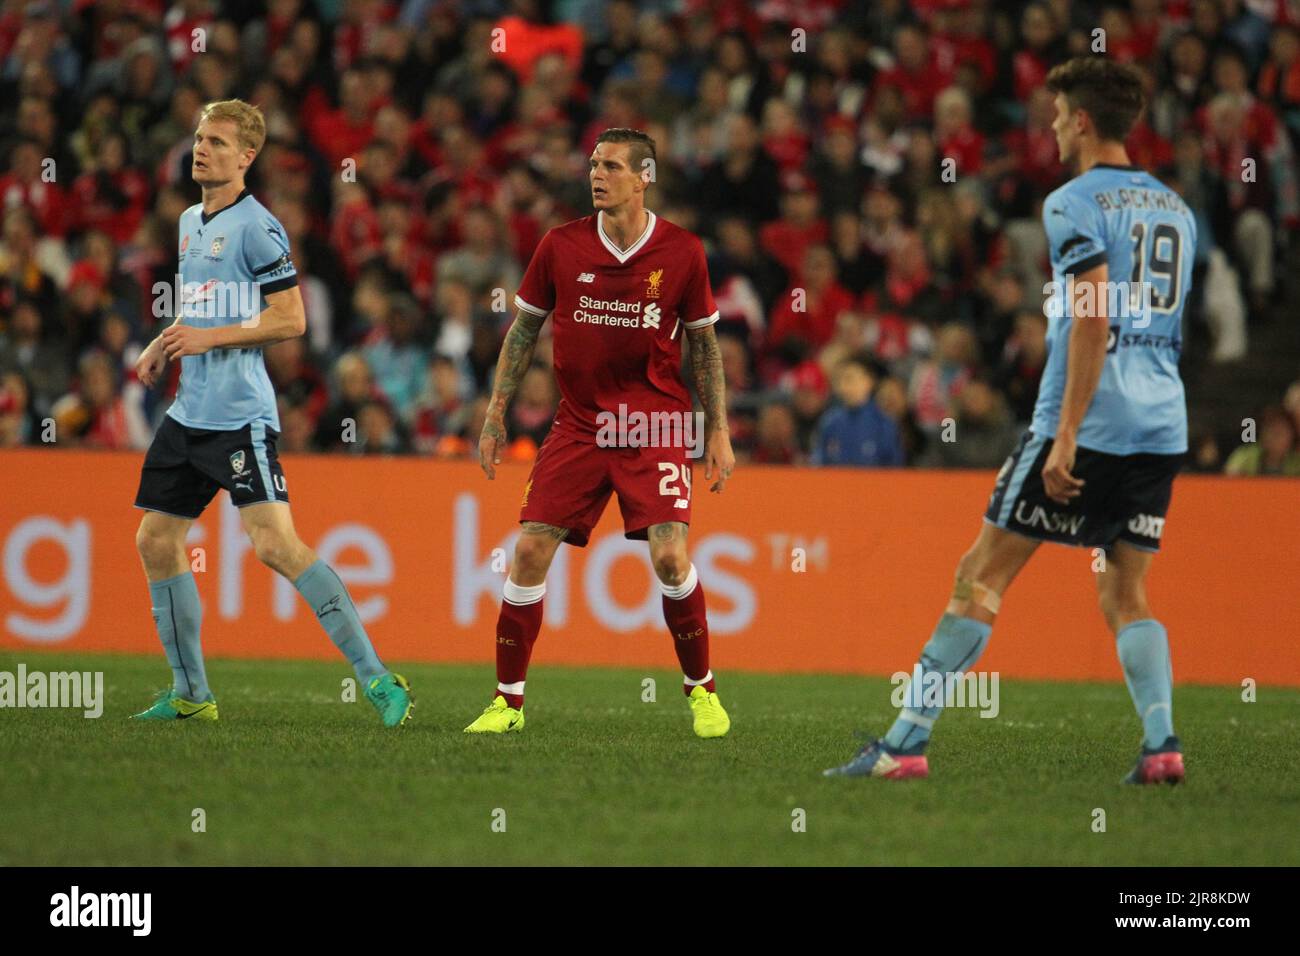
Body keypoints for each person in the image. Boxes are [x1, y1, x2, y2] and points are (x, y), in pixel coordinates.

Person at [825, 58, 1196, 785]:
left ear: (1082, 121)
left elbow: (1091, 319)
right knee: (1125, 590)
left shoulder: (1071, 203)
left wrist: (1065, 435)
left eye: (1058, 114)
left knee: (979, 575)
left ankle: (904, 744)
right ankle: (1162, 747)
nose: (1052, 127)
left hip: (1089, 422)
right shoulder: (1174, 208)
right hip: (1161, 423)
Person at [130, 100, 412, 725]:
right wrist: (167, 338)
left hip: (238, 416)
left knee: (275, 546)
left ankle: (379, 679)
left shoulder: (259, 227)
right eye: (200, 139)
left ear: (247, 157)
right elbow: (202, 306)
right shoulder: (187, 221)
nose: (202, 150)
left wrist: (207, 338)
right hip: (188, 413)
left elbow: (292, 319)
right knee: (155, 539)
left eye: (218, 143)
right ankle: (190, 695)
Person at [466, 128, 735, 738]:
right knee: (530, 549)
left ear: (644, 177)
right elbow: (523, 333)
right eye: (592, 164)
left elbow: (705, 346)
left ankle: (702, 692)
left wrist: (717, 428)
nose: (597, 174)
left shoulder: (683, 251)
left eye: (611, 166)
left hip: (655, 421)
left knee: (670, 557)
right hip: (580, 422)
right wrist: (494, 412)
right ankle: (507, 704)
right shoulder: (559, 246)